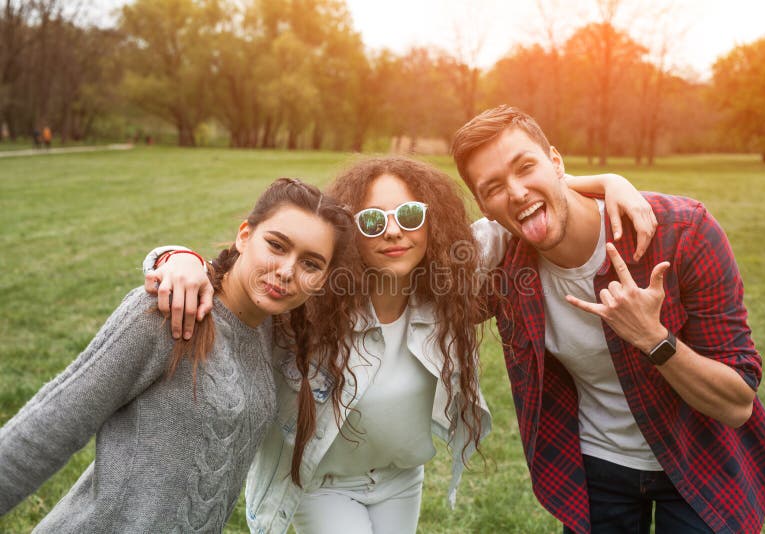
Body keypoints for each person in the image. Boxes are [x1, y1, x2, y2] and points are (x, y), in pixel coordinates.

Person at [144, 157, 655, 534]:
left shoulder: (450, 278)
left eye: (410, 216)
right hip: (320, 482)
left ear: (432, 224)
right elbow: (240, 279)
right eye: (372, 220)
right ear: (349, 233)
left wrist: (608, 181)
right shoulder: (312, 297)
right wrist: (175, 257)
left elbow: (519, 206)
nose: (394, 232)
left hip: (401, 479)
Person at [450, 105, 765, 533]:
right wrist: (604, 180)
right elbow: (413, 291)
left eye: (526, 167)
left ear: (556, 161)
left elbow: (737, 405)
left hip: (698, 455)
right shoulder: (505, 267)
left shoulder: (683, 233)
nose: (516, 192)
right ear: (483, 206)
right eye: (494, 187)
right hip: (597, 469)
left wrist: (653, 339)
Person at [0, 179, 359, 532]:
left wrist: (180, 255)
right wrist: (175, 258)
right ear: (245, 235)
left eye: (311, 264)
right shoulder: (168, 312)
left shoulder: (275, 334)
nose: (286, 271)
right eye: (277, 245)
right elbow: (51, 424)